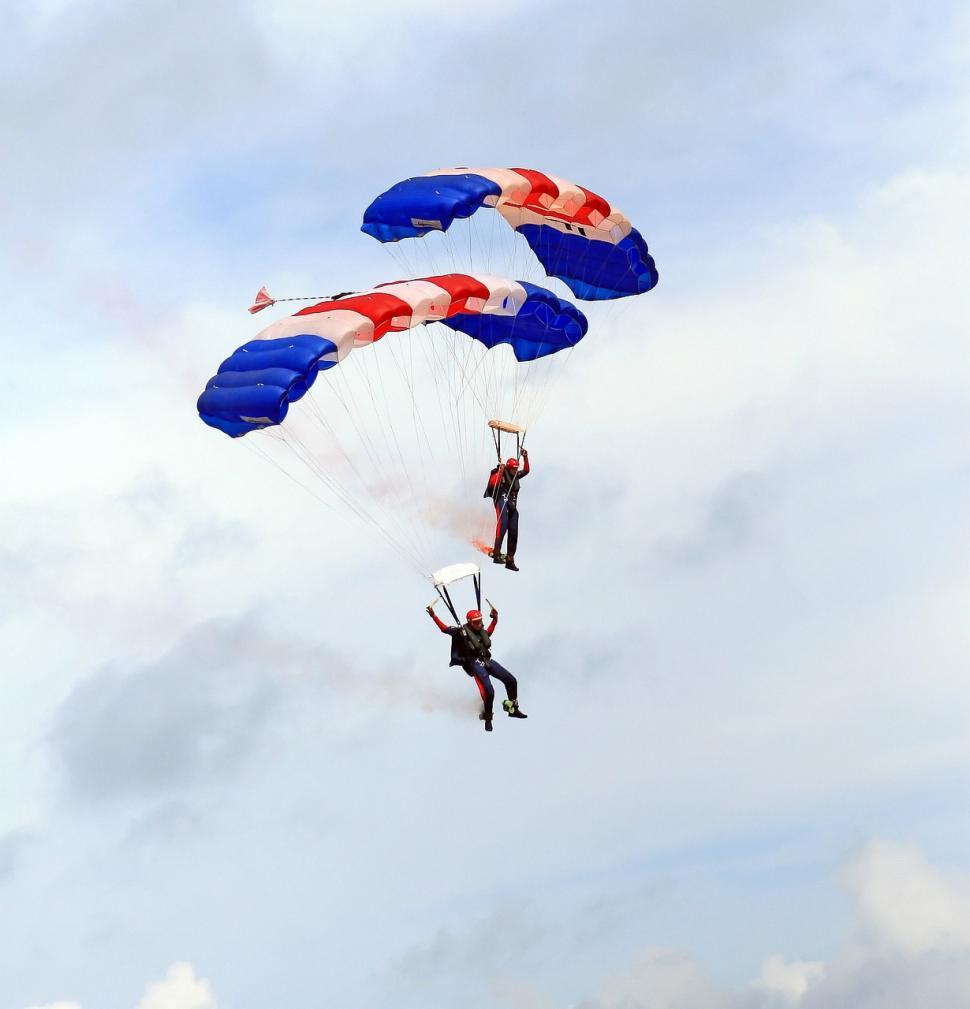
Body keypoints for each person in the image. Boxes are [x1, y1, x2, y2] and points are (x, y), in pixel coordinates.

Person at [426, 603, 527, 731]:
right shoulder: (460, 633)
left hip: (487, 661)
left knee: (511, 681)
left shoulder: (481, 631)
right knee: (490, 691)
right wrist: (433, 615)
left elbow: (489, 631)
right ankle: (488, 718)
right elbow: (444, 629)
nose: (479, 625)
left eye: (480, 622)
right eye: (476, 623)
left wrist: (495, 619)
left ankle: (513, 709)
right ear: (470, 622)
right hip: (475, 664)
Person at [485, 448, 530, 571]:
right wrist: (500, 470)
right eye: (513, 469)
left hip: (512, 506)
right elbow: (493, 483)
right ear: (509, 468)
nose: (516, 471)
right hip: (502, 501)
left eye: (516, 469)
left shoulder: (516, 475)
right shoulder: (501, 473)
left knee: (514, 530)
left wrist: (525, 457)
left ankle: (510, 560)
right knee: (503, 524)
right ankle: (497, 553)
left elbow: (526, 470)